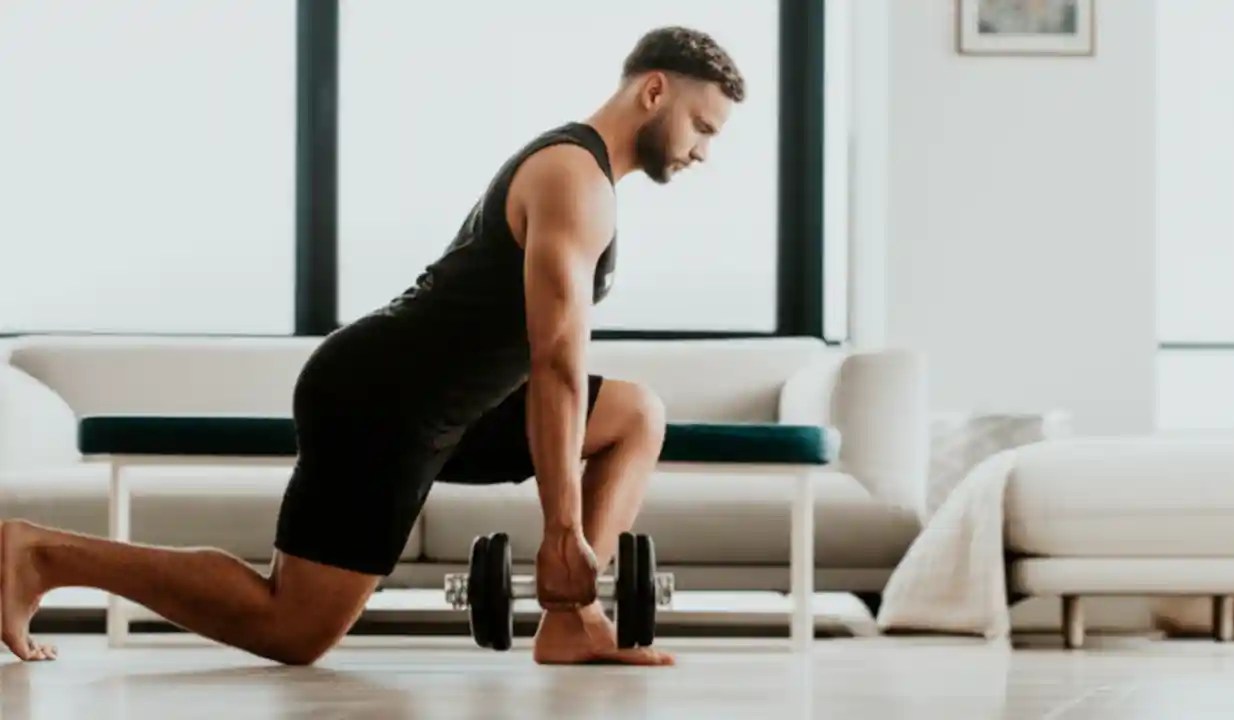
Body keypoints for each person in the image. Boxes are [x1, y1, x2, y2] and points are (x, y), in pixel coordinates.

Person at [0, 25, 744, 666]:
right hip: (383, 396)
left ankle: (572, 624)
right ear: (654, 91)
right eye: (703, 127)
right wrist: (560, 532)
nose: (704, 152)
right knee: (293, 626)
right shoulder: (573, 180)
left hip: (453, 403)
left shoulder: (584, 177)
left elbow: (544, 367)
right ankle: (44, 555)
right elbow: (555, 363)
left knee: (635, 414)